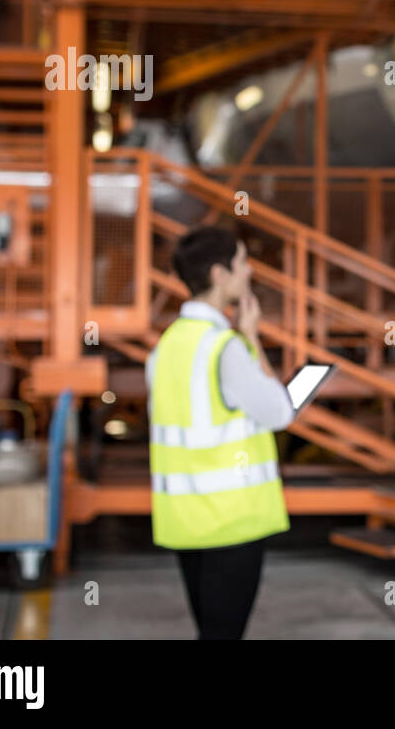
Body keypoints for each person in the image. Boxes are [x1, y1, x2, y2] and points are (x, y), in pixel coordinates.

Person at [145, 226, 299, 640]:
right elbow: (281, 411)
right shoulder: (223, 348)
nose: (249, 271)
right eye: (242, 263)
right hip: (230, 523)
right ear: (219, 274)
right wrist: (251, 337)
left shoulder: (164, 348)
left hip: (185, 522)